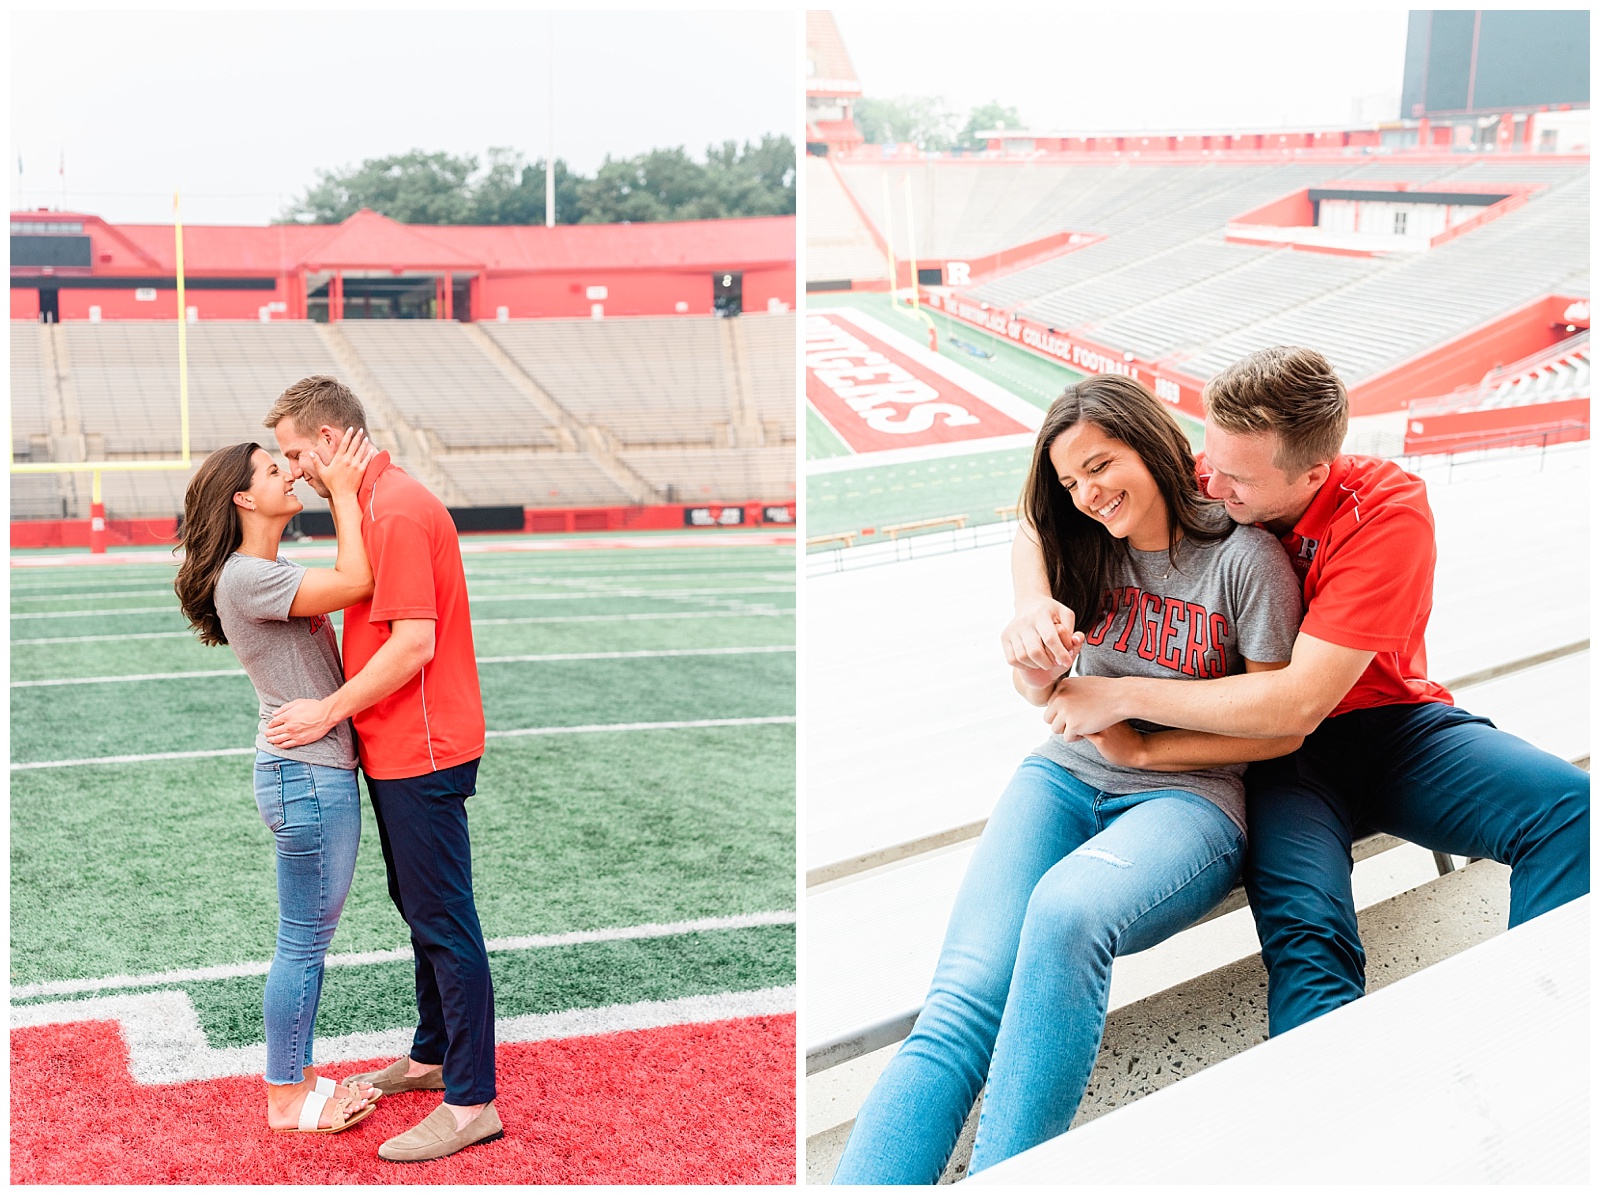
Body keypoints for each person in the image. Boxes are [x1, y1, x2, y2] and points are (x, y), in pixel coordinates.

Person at [1005, 346, 1590, 1039]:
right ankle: (1321, 1109)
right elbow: (1039, 522)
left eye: (1236, 480)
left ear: (1313, 472)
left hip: (1391, 726)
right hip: (1274, 761)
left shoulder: (1386, 511)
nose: (1211, 485)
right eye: (1210, 463)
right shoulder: (1217, 466)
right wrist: (1033, 604)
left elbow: (1296, 704)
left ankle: (1549, 1028)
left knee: (1573, 812)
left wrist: (1122, 697)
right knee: (1309, 937)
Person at [832, 375, 1305, 1183]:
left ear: (1152, 446)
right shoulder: (1076, 542)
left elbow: (1277, 726)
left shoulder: (1244, 560)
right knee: (960, 1003)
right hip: (1060, 779)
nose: (1087, 493)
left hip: (1189, 800)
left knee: (1065, 910)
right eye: (1070, 480)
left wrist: (1144, 750)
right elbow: (1046, 693)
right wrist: (1028, 645)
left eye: (1100, 465)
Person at [259, 375, 501, 1164]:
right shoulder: (371, 503)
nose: (291, 469)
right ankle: (434, 1055)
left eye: (298, 453)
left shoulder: (393, 508)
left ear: (330, 441)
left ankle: (470, 1102)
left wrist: (326, 712)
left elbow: (412, 644)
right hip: (400, 745)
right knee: (418, 904)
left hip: (421, 746)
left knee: (443, 917)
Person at [174, 426, 384, 1134]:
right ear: (243, 497)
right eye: (273, 471)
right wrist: (348, 495)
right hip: (307, 776)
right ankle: (285, 1097)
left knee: (306, 943)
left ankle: (295, 1075)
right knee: (301, 945)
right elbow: (358, 580)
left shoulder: (263, 568)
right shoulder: (245, 574)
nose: (287, 475)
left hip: (307, 771)